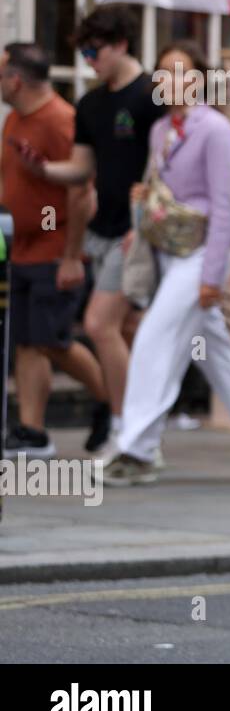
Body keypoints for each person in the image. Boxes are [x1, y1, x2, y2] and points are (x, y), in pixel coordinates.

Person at [102, 41, 230, 485]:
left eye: (182, 73)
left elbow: (225, 207)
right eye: (164, 73)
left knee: (152, 338)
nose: (173, 81)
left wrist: (212, 277)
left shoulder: (216, 130)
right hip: (169, 251)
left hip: (200, 255)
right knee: (217, 353)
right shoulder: (162, 129)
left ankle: (137, 450)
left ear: (199, 80)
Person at [24, 5, 164, 452]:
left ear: (121, 44)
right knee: (125, 330)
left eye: (94, 50)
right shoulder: (91, 102)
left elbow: (165, 164)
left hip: (137, 230)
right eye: (82, 52)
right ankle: (141, 424)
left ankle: (126, 429)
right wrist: (45, 170)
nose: (88, 60)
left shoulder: (151, 96)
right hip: (102, 230)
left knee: (99, 323)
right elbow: (82, 169)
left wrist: (143, 226)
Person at [0, 42, 109, 457]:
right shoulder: (14, 120)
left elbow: (83, 191)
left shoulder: (61, 120)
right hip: (22, 249)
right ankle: (32, 430)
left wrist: (70, 255)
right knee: (27, 341)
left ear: (16, 80)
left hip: (54, 249)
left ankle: (109, 402)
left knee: (53, 340)